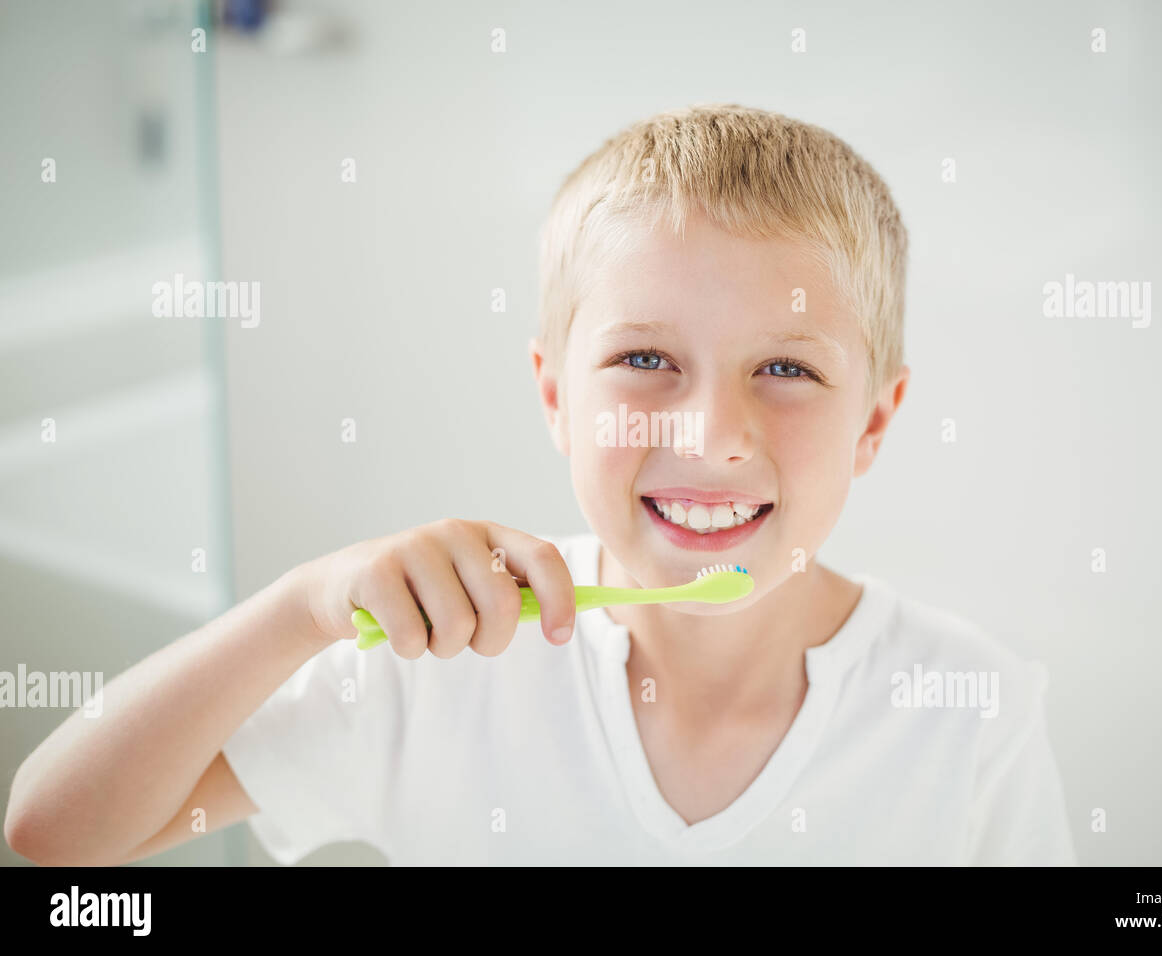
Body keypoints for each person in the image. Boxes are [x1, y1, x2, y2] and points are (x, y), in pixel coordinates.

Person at [4, 103, 1076, 866]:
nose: (710, 432)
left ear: (873, 422)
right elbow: (54, 836)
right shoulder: (446, 664)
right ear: (555, 394)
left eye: (785, 369)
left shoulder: (967, 710)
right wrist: (303, 608)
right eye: (646, 358)